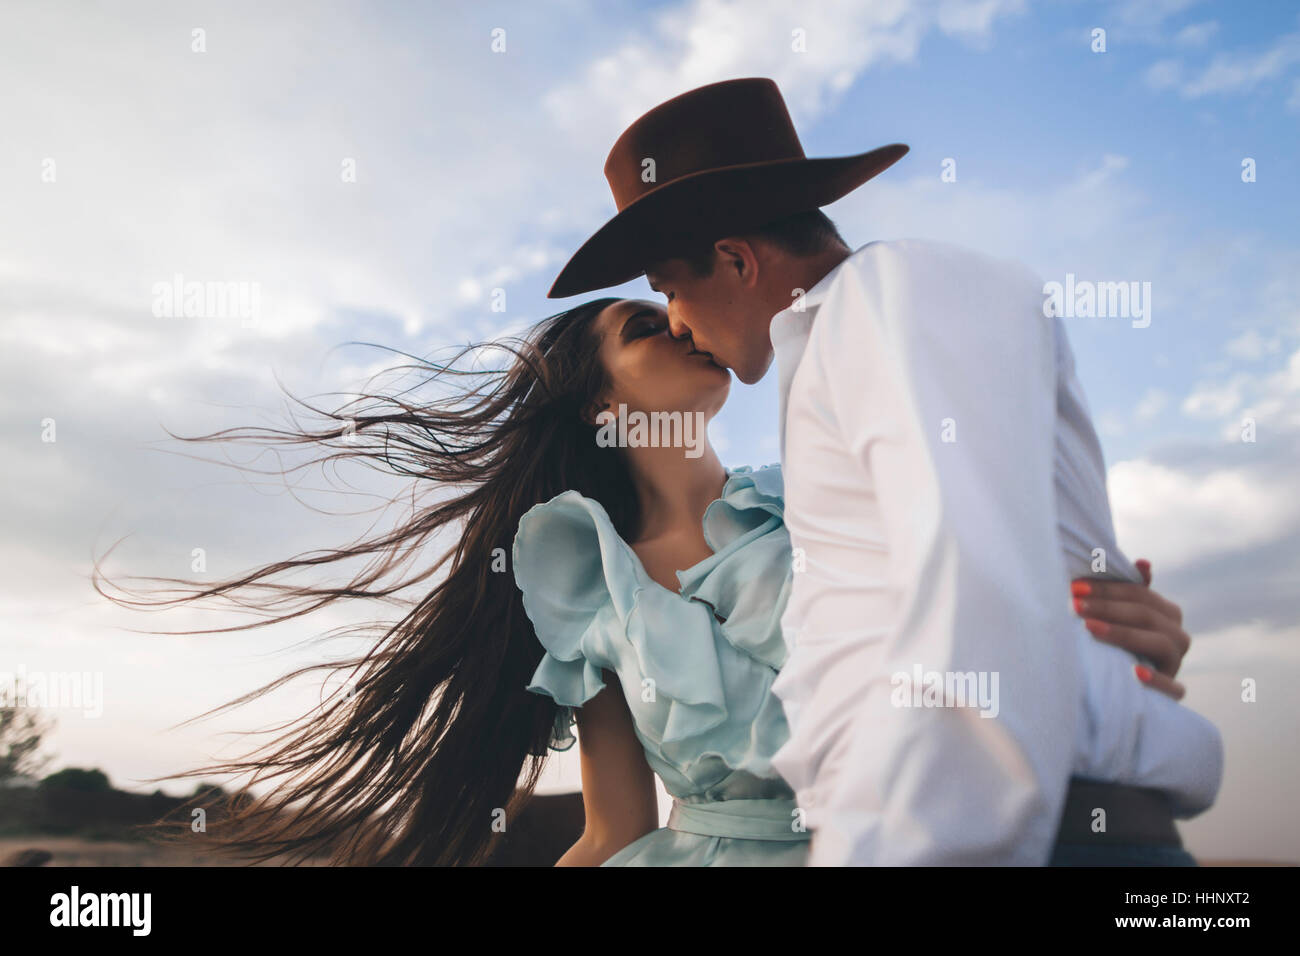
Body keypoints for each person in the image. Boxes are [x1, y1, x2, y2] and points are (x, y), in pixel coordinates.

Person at [102, 295, 1196, 868]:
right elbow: (617, 826)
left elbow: (984, 627)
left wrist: (1119, 647)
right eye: (643, 323)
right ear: (596, 403)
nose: (681, 320)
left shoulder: (831, 501)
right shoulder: (585, 579)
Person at [542, 77, 1224, 865]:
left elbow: (973, 592)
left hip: (1025, 833)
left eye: (669, 293)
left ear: (734, 259)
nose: (681, 325)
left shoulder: (888, 297)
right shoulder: (837, 351)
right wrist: (1084, 651)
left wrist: (1085, 654)